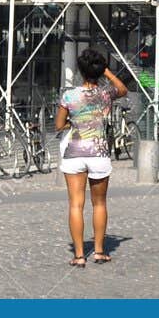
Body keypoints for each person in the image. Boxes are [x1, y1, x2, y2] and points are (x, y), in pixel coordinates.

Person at [56, 46, 129, 266]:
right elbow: (123, 89)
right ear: (99, 70)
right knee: (99, 203)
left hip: (75, 152)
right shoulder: (105, 94)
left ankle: (79, 256)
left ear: (80, 70)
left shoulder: (69, 95)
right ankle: (98, 252)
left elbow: (59, 125)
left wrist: (74, 121)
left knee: (75, 205)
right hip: (98, 153)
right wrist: (106, 71)